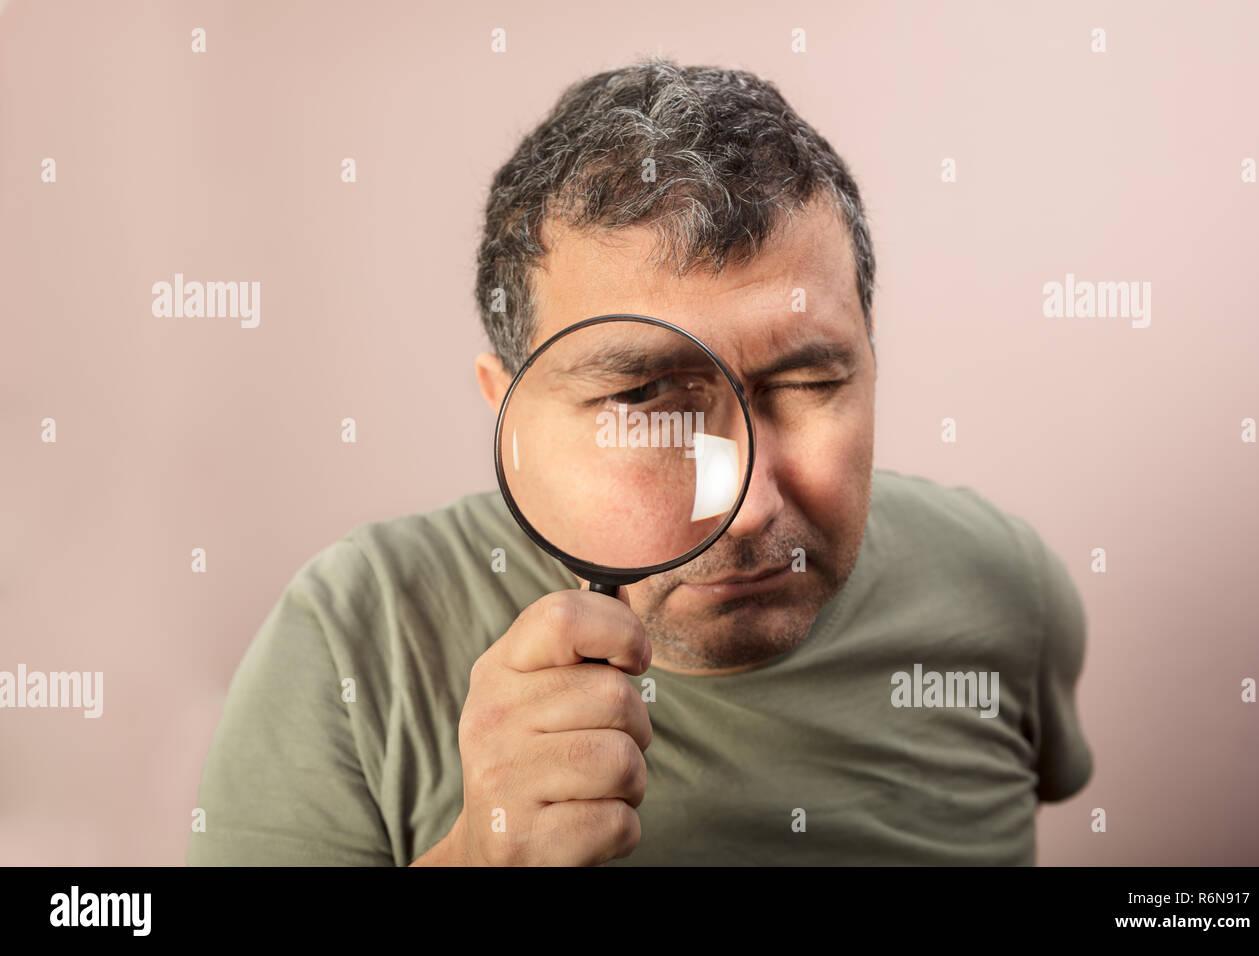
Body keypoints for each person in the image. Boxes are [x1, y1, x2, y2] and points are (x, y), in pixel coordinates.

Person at [187, 57, 1091, 867]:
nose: (746, 510)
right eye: (645, 401)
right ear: (509, 414)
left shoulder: (1010, 587)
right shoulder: (353, 640)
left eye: (808, 381)